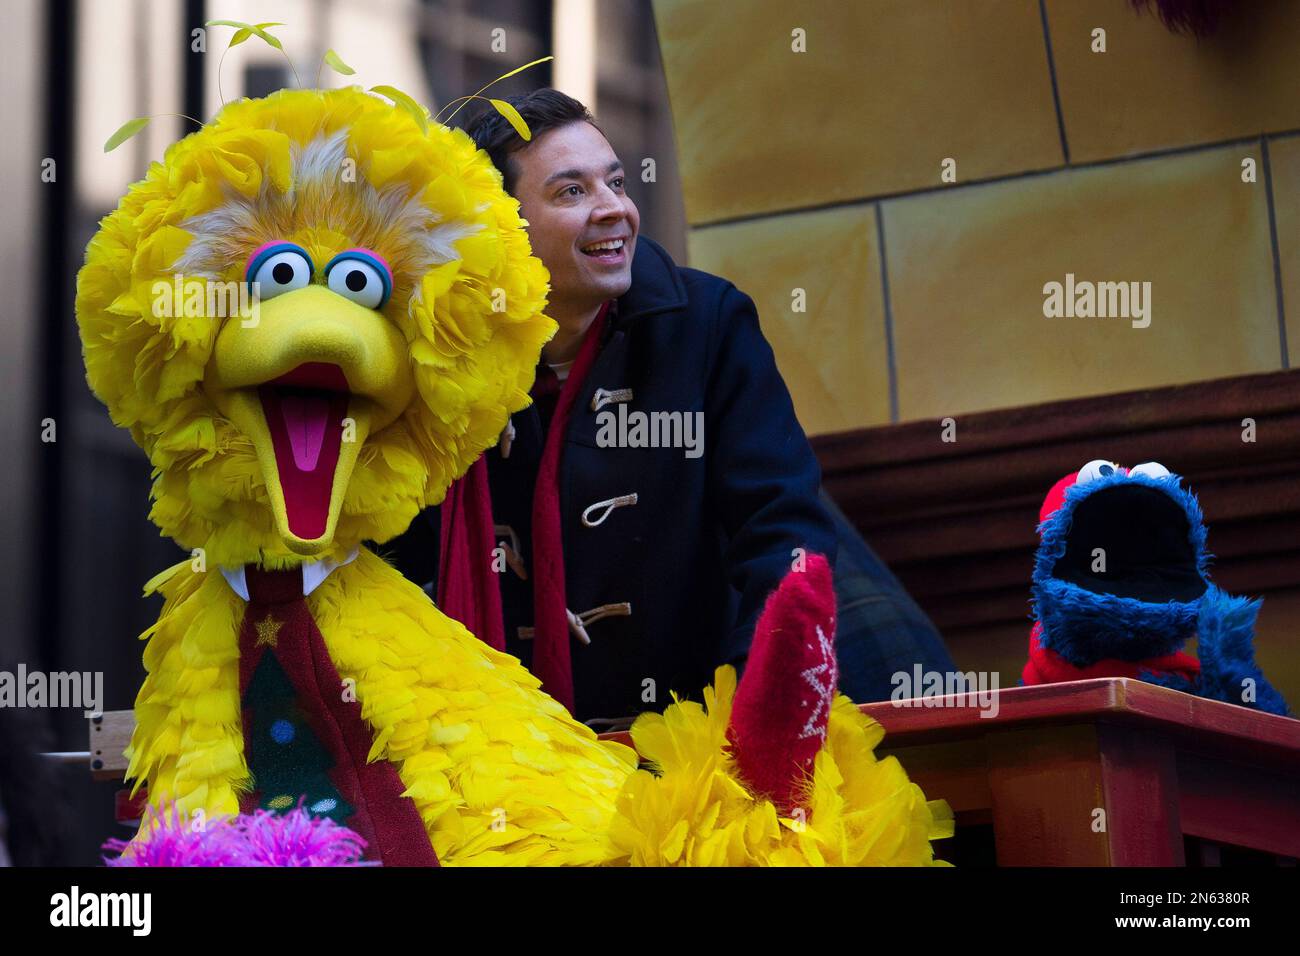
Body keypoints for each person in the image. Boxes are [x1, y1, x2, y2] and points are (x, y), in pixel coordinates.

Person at [388, 89, 953, 724]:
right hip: (503, 749)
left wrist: (751, 715)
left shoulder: (706, 324)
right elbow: (389, 565)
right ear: (495, 226)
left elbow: (781, 529)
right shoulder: (429, 361)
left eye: (616, 183)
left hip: (695, 728)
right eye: (572, 192)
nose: (615, 211)